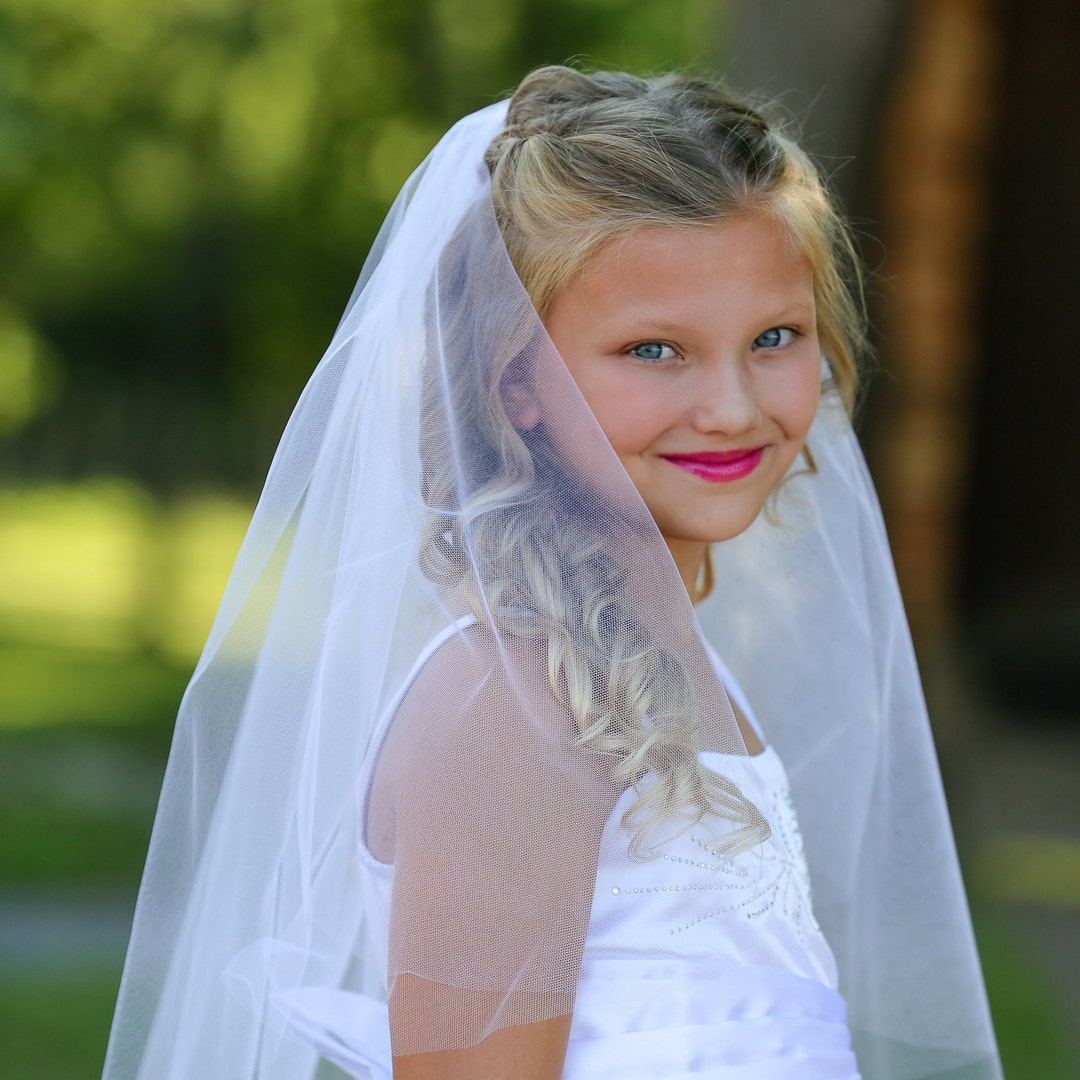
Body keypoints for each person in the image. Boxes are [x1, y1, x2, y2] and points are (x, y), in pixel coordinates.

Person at [103, 67, 1002, 1079]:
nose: (733, 406)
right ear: (514, 381)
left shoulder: (648, 660)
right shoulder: (519, 709)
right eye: (655, 349)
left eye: (774, 339)